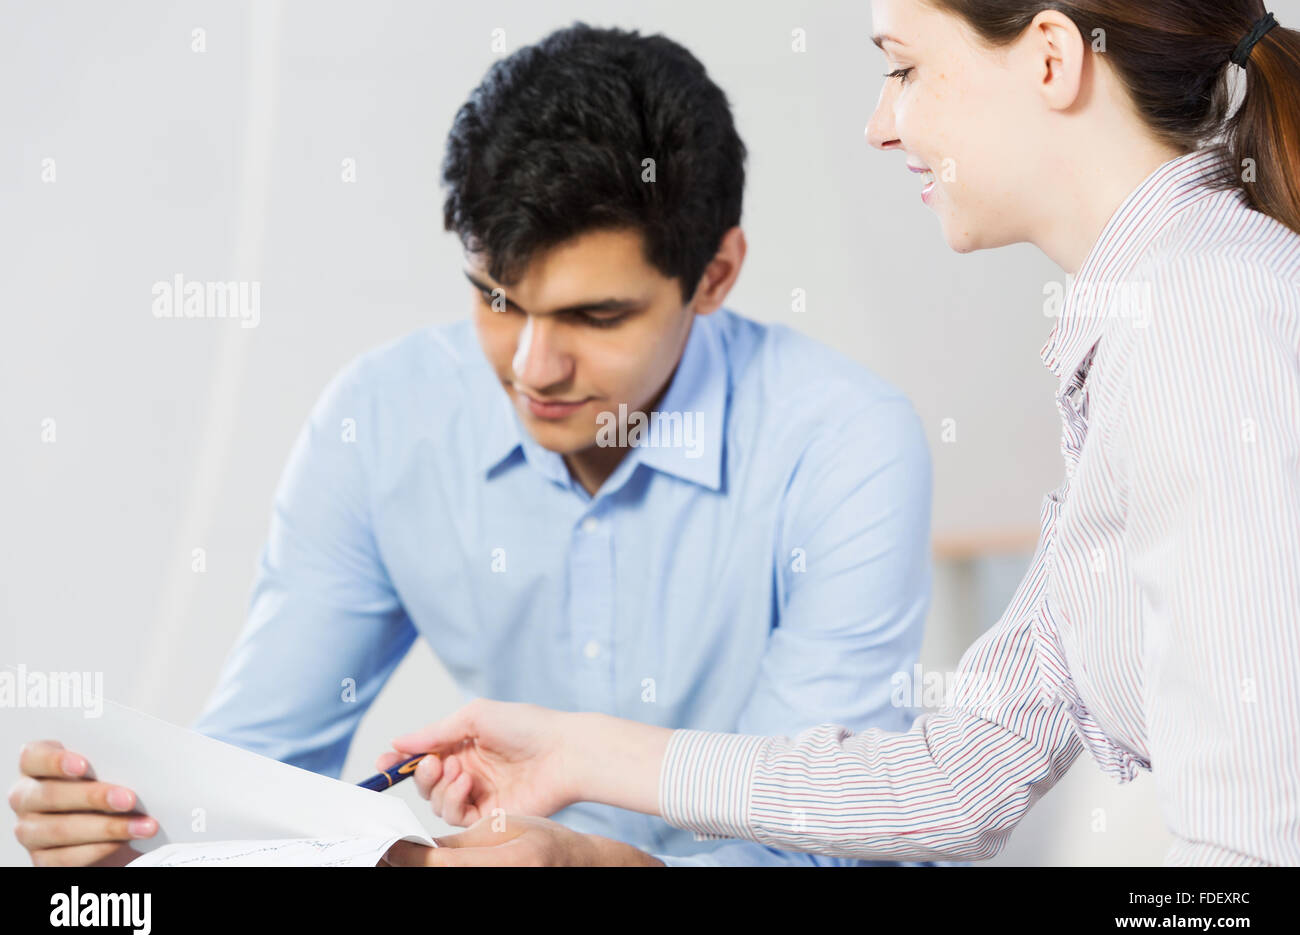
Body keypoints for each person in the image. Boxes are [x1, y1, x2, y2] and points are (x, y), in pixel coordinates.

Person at [377, 0, 1300, 867]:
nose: (879, 125)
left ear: (1054, 57)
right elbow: (959, 775)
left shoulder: (1208, 322)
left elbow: (1244, 864)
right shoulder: (1160, 316)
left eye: (903, 69)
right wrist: (579, 754)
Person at [10, 23, 935, 867]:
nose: (533, 367)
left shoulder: (844, 445)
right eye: (497, 299)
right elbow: (256, 771)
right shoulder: (381, 421)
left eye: (596, 315)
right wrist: (146, 827)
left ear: (715, 275)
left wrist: (588, 866)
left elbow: (826, 841)